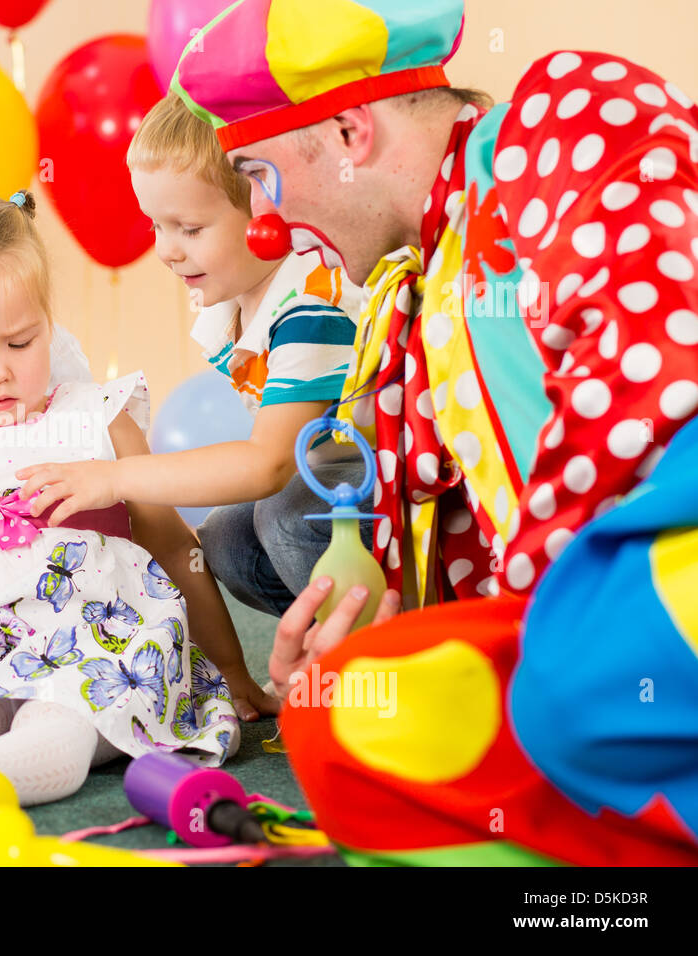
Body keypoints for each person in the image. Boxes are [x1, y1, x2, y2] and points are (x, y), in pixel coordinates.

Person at [170, 0, 698, 863]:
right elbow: (470, 576)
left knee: (571, 680)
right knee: (346, 708)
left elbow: (661, 361)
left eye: (262, 176)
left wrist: (551, 616)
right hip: (585, 631)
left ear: (348, 133)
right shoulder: (405, 307)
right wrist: (381, 626)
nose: (268, 223)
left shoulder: (562, 110)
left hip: (669, 534)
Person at [0, 190, 251, 806]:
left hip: (98, 649)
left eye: (20, 342)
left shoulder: (98, 417)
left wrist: (233, 671)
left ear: (48, 324)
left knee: (60, 717)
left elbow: (172, 544)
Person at [16, 92, 368, 633]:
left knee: (288, 516)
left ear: (269, 207)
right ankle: (326, 633)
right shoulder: (232, 300)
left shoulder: (310, 304)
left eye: (190, 229)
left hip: (391, 482)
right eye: (157, 226)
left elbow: (267, 463)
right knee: (227, 537)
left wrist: (115, 478)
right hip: (328, 476)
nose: (166, 249)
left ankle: (377, 652)